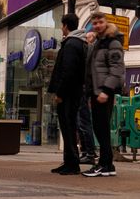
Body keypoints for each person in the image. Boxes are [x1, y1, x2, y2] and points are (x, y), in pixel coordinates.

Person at [83, 12, 125, 177]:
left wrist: (106, 91)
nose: (97, 25)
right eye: (95, 23)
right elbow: (91, 67)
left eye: (100, 22)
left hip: (103, 92)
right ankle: (107, 165)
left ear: (106, 23)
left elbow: (117, 68)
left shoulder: (112, 42)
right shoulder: (99, 42)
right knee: (99, 129)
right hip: (96, 91)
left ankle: (105, 164)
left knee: (102, 129)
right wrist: (90, 43)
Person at [49, 14, 90, 175]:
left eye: (62, 25)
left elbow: (68, 71)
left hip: (69, 94)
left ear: (66, 26)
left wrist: (60, 93)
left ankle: (72, 163)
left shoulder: (71, 44)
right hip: (74, 92)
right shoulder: (76, 43)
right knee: (68, 128)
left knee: (68, 127)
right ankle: (68, 161)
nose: (61, 28)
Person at [78, 30, 98, 165]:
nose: (86, 39)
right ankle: (86, 152)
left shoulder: (90, 49)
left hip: (85, 88)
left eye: (88, 37)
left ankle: (90, 153)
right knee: (81, 123)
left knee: (84, 122)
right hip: (85, 88)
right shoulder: (90, 49)